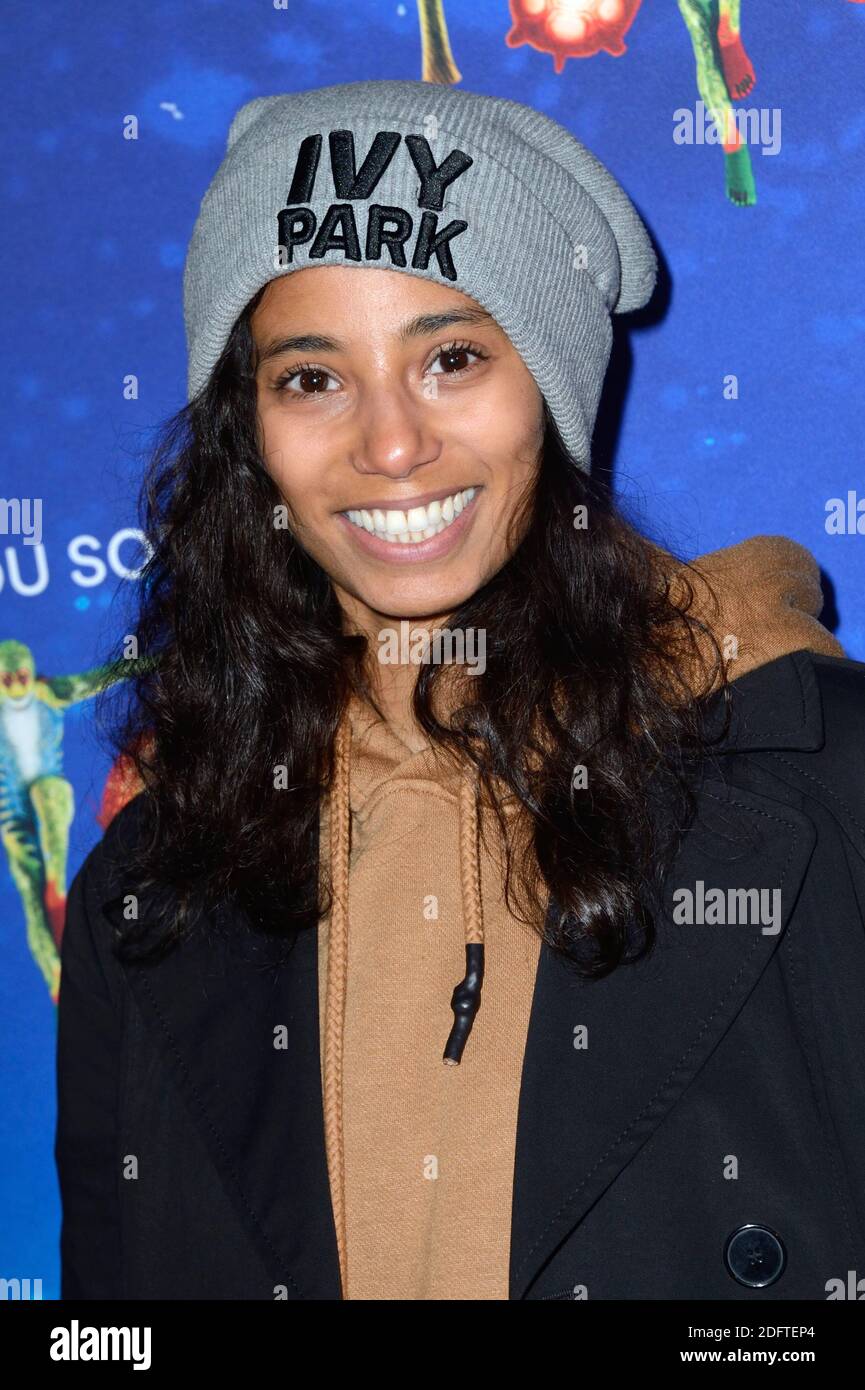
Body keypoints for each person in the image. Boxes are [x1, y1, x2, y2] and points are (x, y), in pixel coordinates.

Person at [55, 78, 865, 1302]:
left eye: (451, 357)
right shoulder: (149, 891)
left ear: (550, 386)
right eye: (312, 377)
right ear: (249, 428)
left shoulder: (830, 792)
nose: (390, 444)